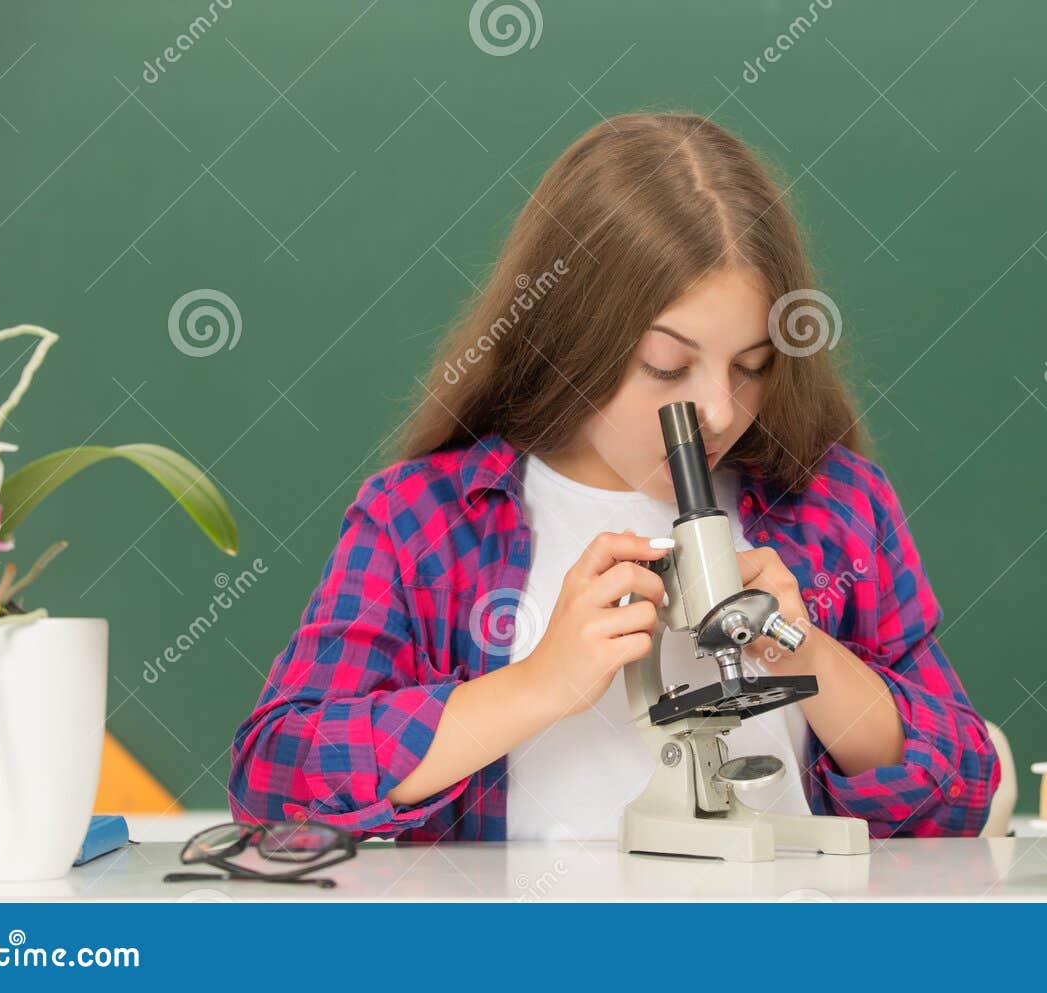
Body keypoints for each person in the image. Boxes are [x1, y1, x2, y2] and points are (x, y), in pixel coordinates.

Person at [228, 112, 1000, 843]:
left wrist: (809, 658)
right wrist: (537, 684)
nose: (719, 413)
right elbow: (273, 776)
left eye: (752, 367)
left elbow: (967, 790)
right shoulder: (421, 519)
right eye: (668, 366)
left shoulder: (837, 506)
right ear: (574, 338)